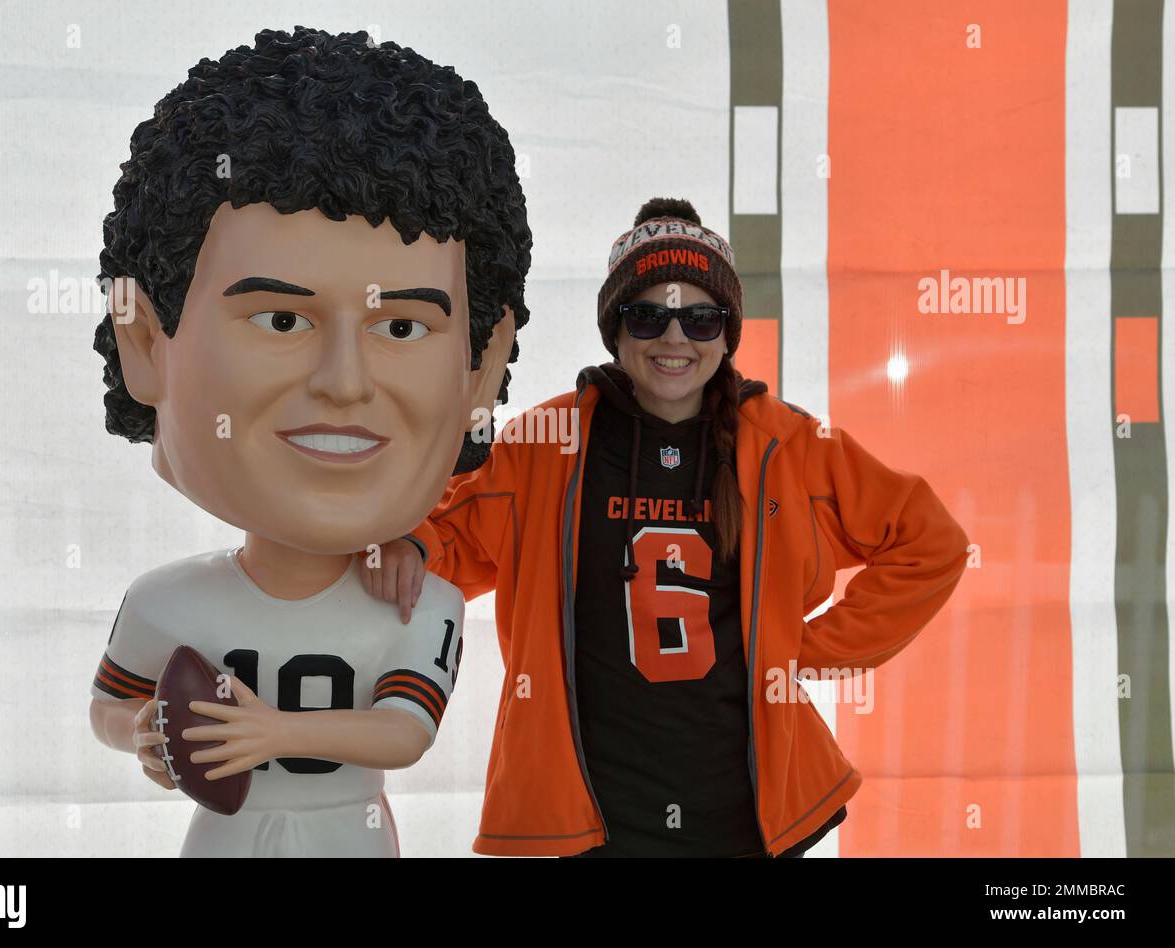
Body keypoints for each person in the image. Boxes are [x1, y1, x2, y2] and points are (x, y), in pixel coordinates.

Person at [363, 197, 970, 857]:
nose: (674, 339)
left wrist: (814, 648)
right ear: (614, 330)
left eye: (700, 320)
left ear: (727, 332)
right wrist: (410, 540)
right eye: (648, 316)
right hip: (587, 817)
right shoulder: (547, 441)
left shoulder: (788, 445)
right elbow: (452, 529)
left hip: (746, 813)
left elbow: (929, 544)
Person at [86, 27, 531, 857]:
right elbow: (107, 708)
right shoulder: (163, 602)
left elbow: (404, 736)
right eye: (282, 319)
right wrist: (141, 729)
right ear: (144, 339)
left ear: (483, 366)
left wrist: (266, 732)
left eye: (402, 324)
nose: (345, 383)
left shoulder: (422, 604)